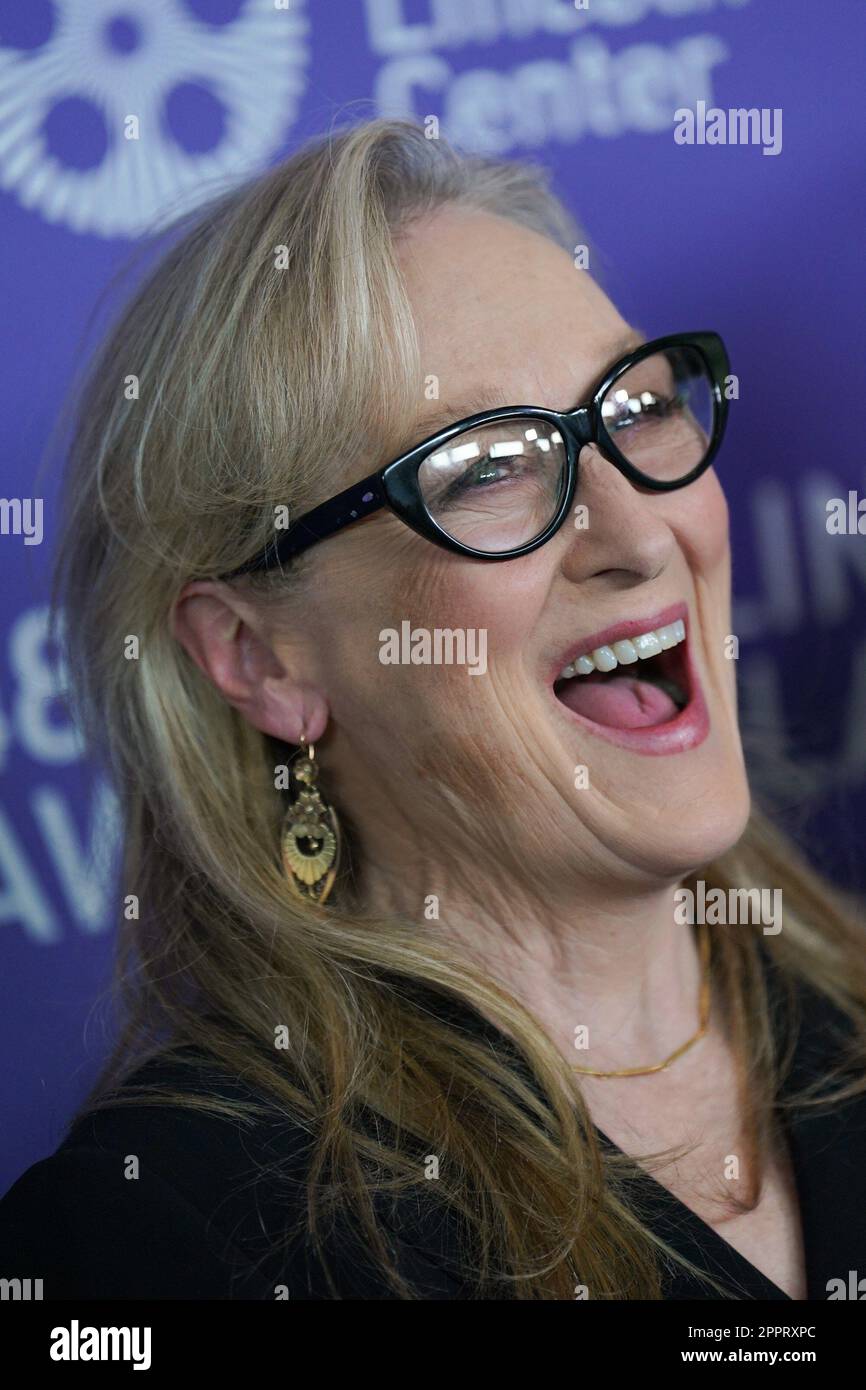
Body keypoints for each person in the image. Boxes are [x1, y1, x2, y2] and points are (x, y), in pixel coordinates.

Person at [2, 118, 865, 1301]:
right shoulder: (153, 1244)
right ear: (260, 659)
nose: (634, 533)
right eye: (487, 467)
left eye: (633, 408)